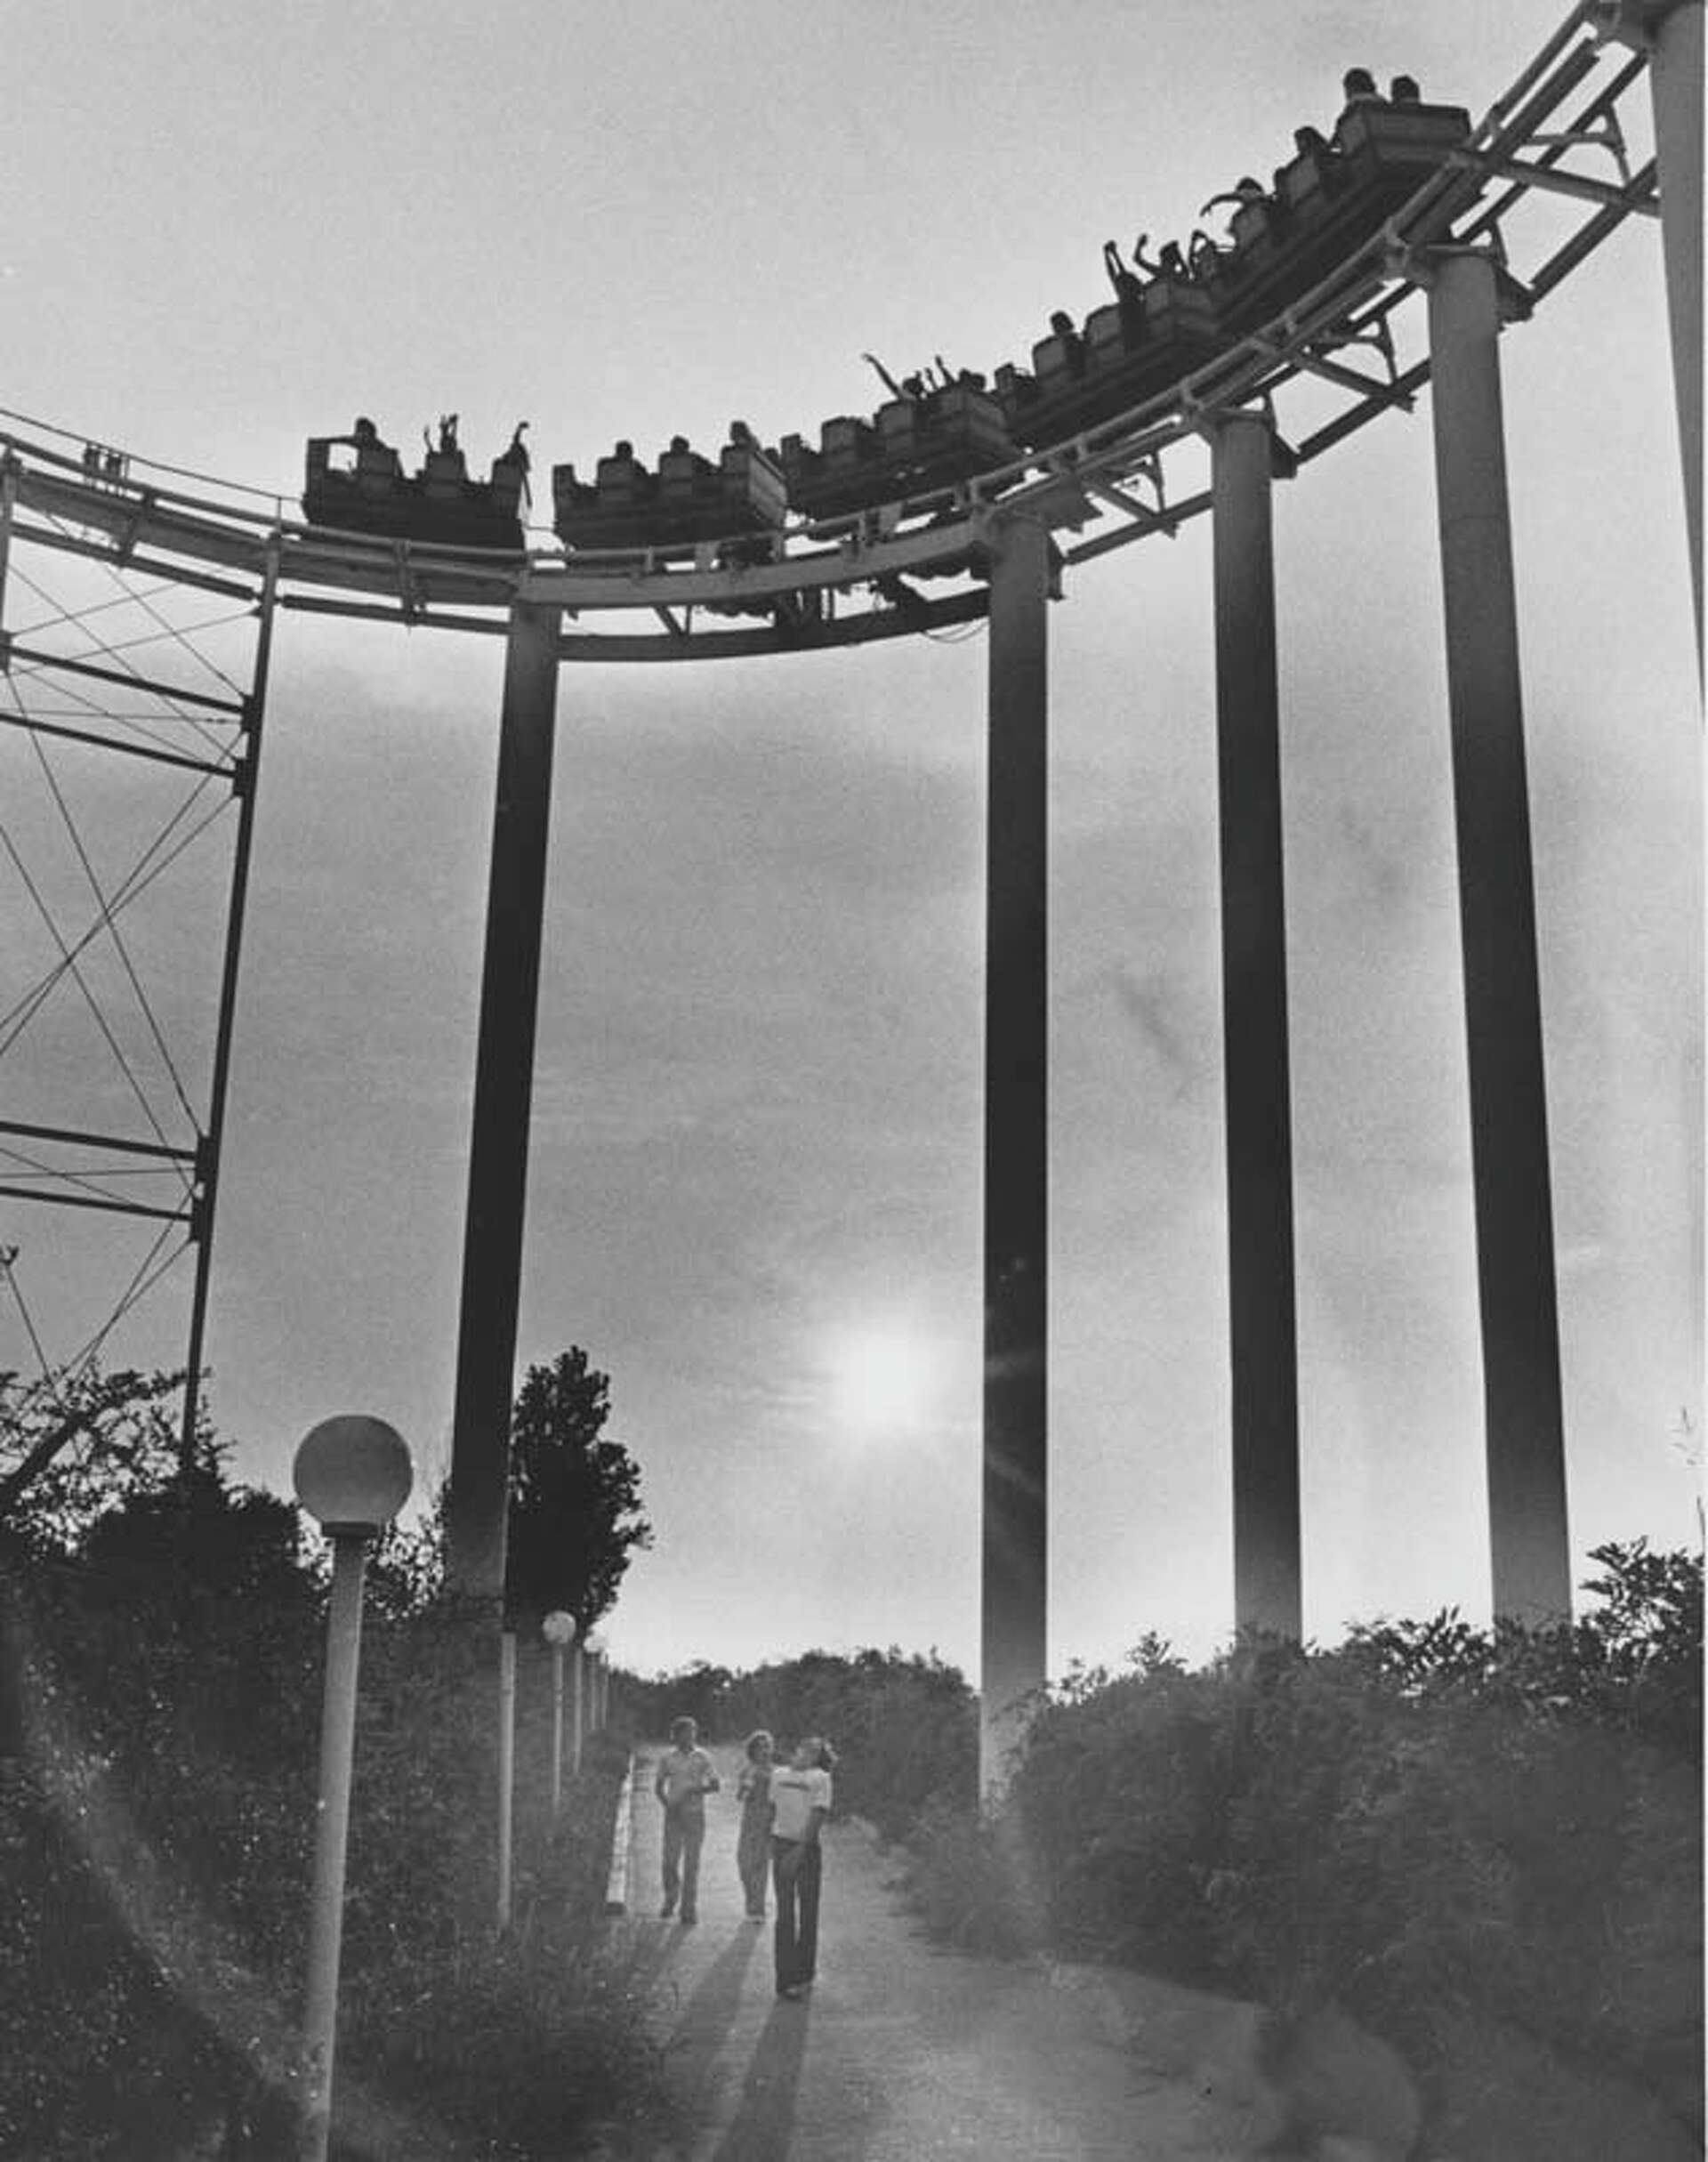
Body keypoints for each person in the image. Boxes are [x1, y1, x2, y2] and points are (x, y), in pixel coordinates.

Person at [769, 1735, 834, 1999]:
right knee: (784, 1915)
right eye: (803, 1747)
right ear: (796, 1750)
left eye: (814, 1751)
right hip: (780, 1844)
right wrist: (770, 1844)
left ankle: (804, 1976)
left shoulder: (820, 1778)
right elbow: (772, 1809)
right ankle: (785, 1980)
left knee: (808, 1913)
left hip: (806, 1849)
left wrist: (800, 1849)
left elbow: (818, 1815)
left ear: (818, 1758)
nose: (805, 1752)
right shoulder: (778, 1774)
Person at [654, 1715, 720, 1924]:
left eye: (693, 1732)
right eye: (685, 1732)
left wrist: (694, 1789)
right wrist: (667, 1804)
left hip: (695, 1815)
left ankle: (688, 1908)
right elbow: (658, 1787)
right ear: (675, 1736)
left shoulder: (703, 1757)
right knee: (669, 1861)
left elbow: (715, 1785)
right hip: (673, 1815)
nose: (690, 1736)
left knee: (692, 1864)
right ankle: (671, 1897)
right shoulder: (667, 1758)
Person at [735, 1730, 776, 1920]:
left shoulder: (777, 1773)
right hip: (750, 1822)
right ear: (753, 1751)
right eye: (760, 1747)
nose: (765, 1750)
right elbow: (740, 1797)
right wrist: (746, 1786)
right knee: (744, 1863)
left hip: (769, 1822)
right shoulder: (748, 1770)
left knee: (760, 1865)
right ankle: (751, 1900)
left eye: (768, 1746)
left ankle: (757, 1908)